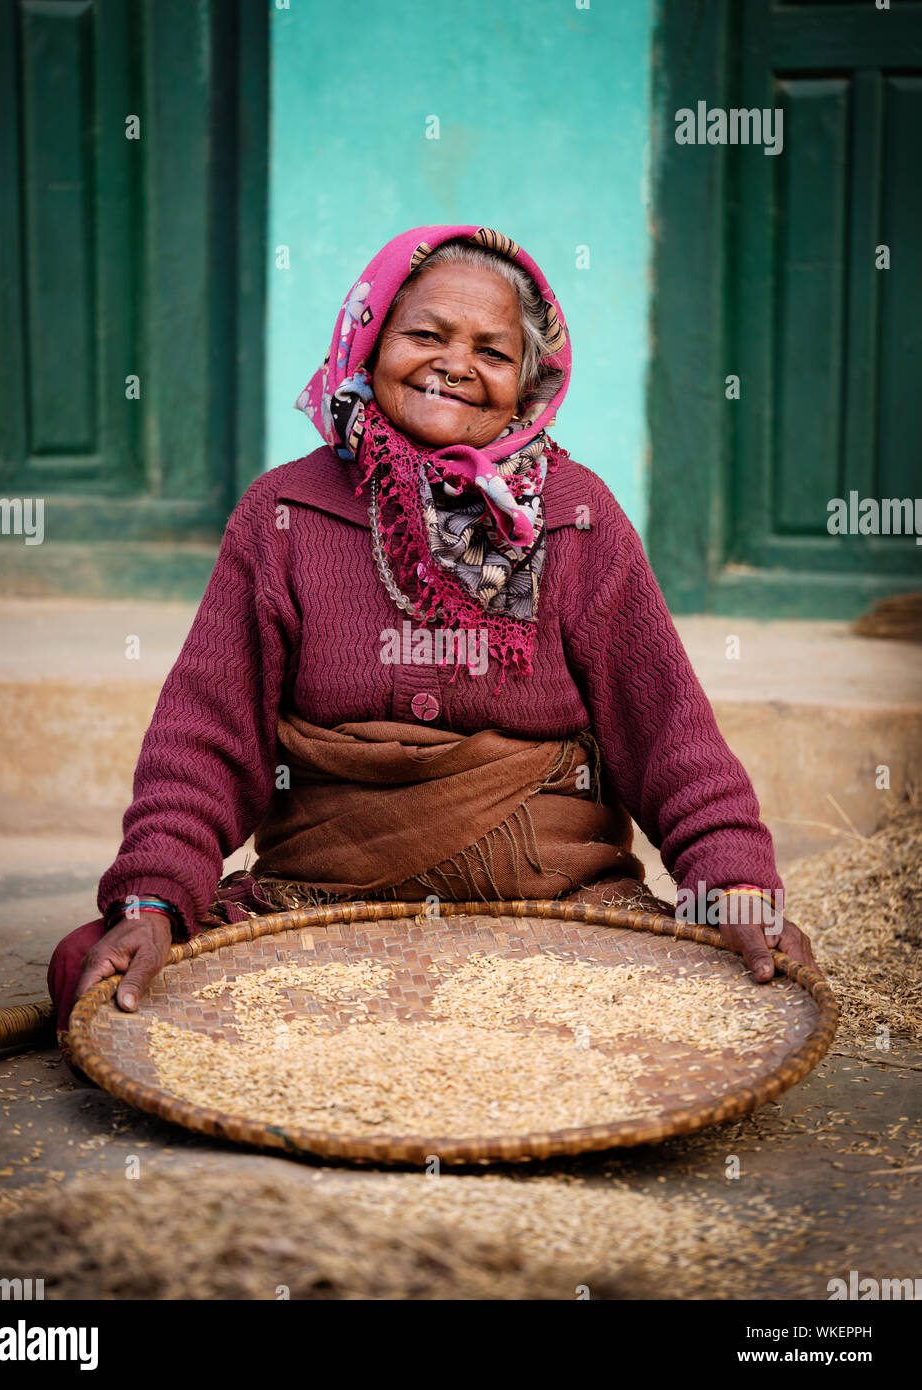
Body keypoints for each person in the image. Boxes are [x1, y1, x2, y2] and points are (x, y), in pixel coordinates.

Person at [48, 223, 817, 1061]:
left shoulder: (576, 512)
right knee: (91, 968)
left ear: (528, 380)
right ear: (369, 340)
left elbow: (669, 734)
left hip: (553, 907)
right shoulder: (284, 511)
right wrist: (154, 900)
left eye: (493, 351)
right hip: (320, 903)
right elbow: (203, 739)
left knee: (727, 993)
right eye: (424, 334)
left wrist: (735, 886)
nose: (455, 363)